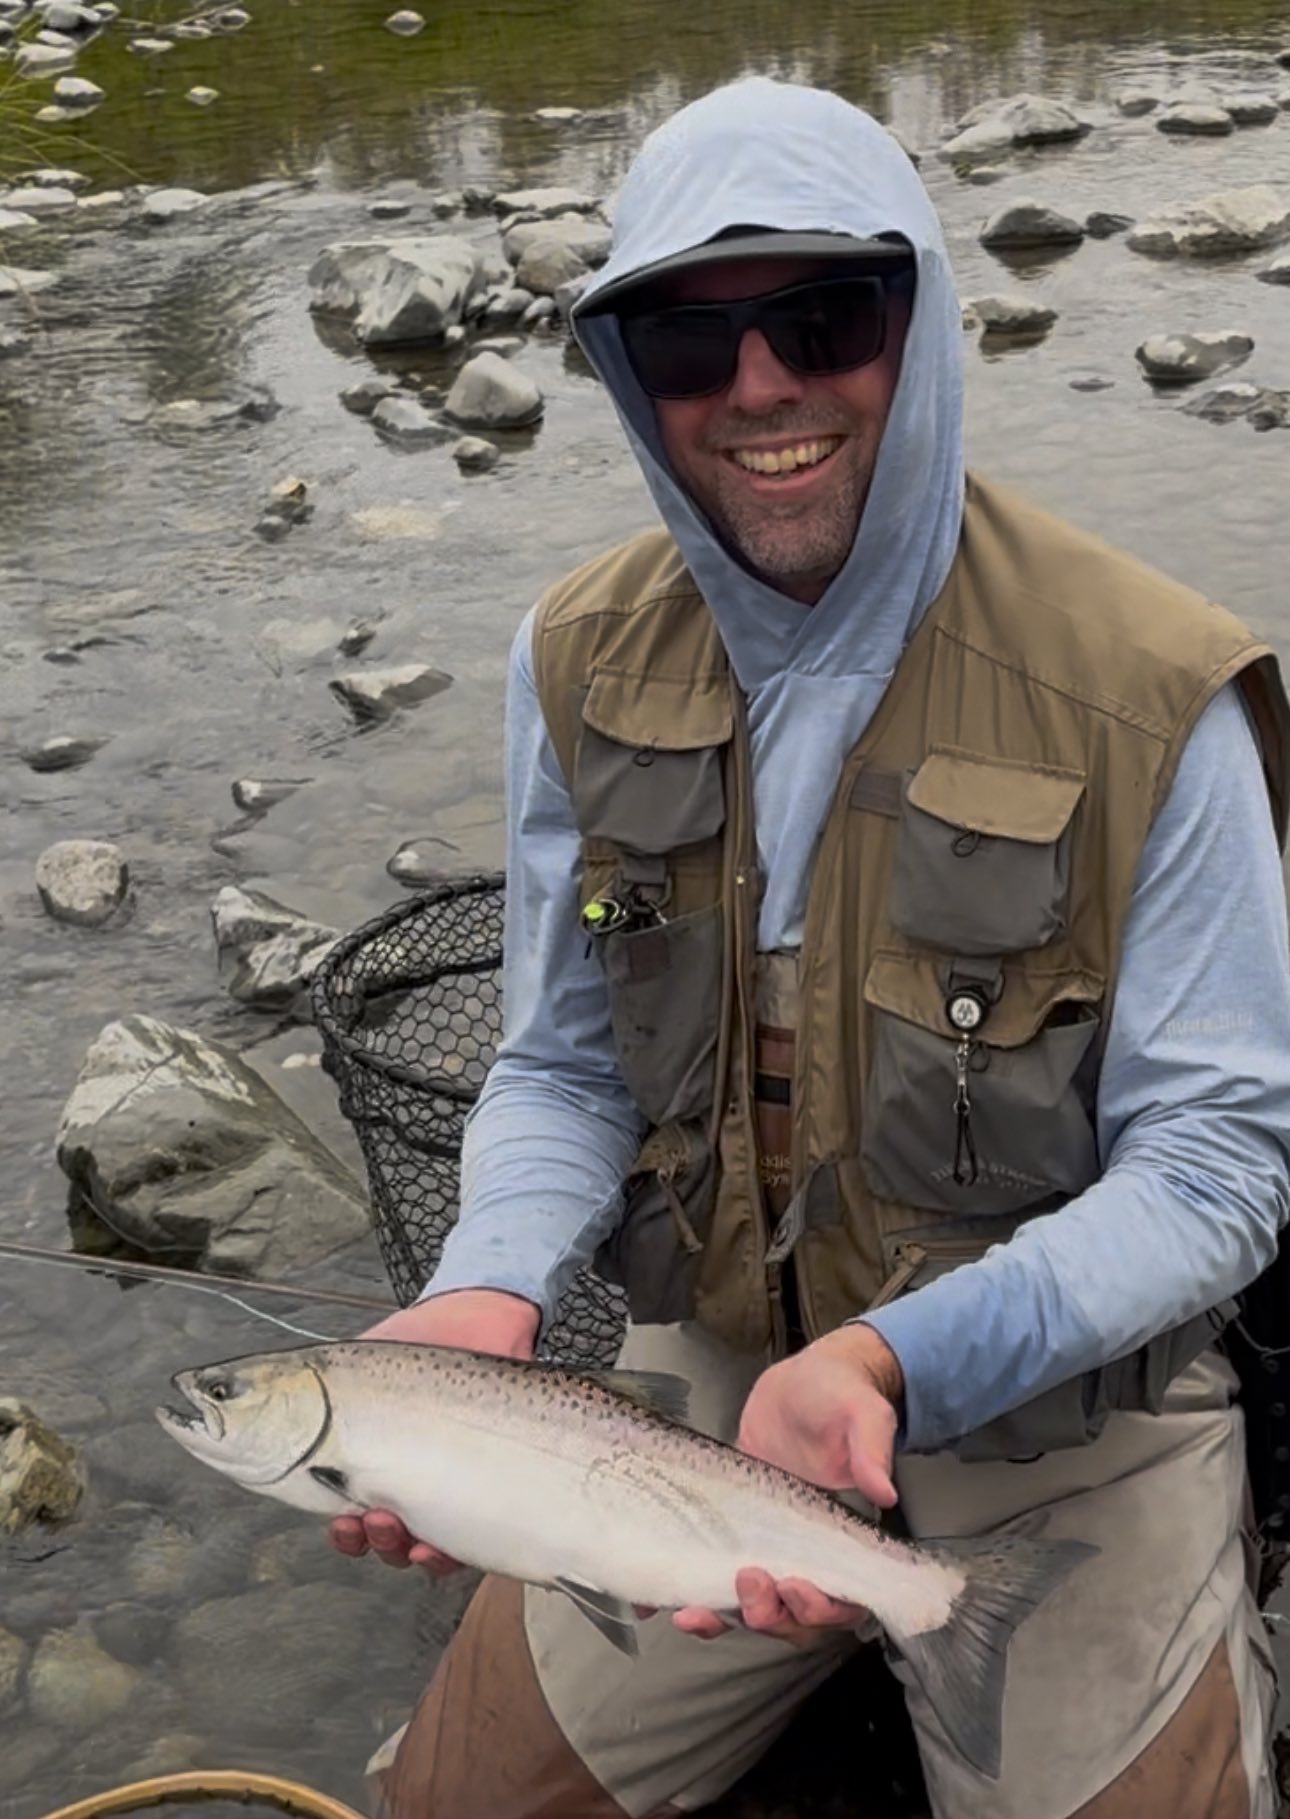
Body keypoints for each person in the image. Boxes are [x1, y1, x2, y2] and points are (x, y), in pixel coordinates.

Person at [331, 76, 1290, 1819]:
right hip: (702, 1394)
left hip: (1059, 1418)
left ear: (914, 321)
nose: (759, 388)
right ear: (629, 382)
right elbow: (555, 1062)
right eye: (689, 345)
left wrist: (892, 1362)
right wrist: (486, 1288)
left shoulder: (1154, 689)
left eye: (819, 314)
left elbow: (1220, 1167)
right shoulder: (577, 657)